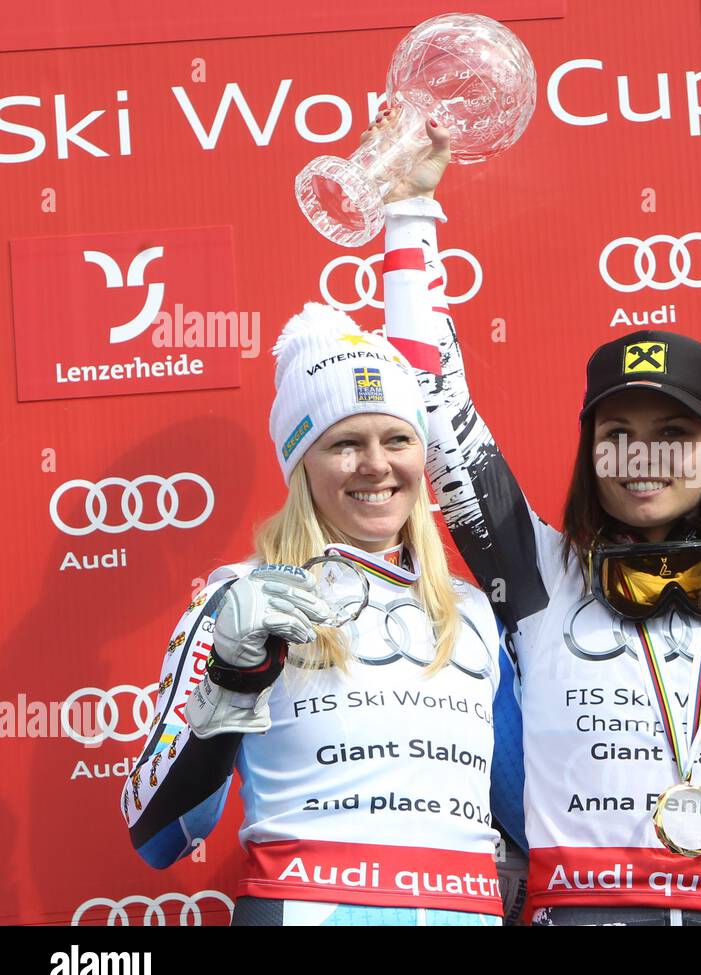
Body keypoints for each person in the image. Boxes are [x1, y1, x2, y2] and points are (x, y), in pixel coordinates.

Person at [366, 111, 701, 926]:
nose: (644, 457)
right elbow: (430, 406)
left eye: (672, 435)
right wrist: (410, 214)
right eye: (618, 435)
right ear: (589, 451)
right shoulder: (537, 568)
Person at [122, 292, 509, 927]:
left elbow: (527, 815)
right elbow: (158, 835)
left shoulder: (469, 611)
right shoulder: (242, 595)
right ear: (301, 464)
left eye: (397, 438)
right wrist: (229, 680)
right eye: (345, 443)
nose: (377, 465)